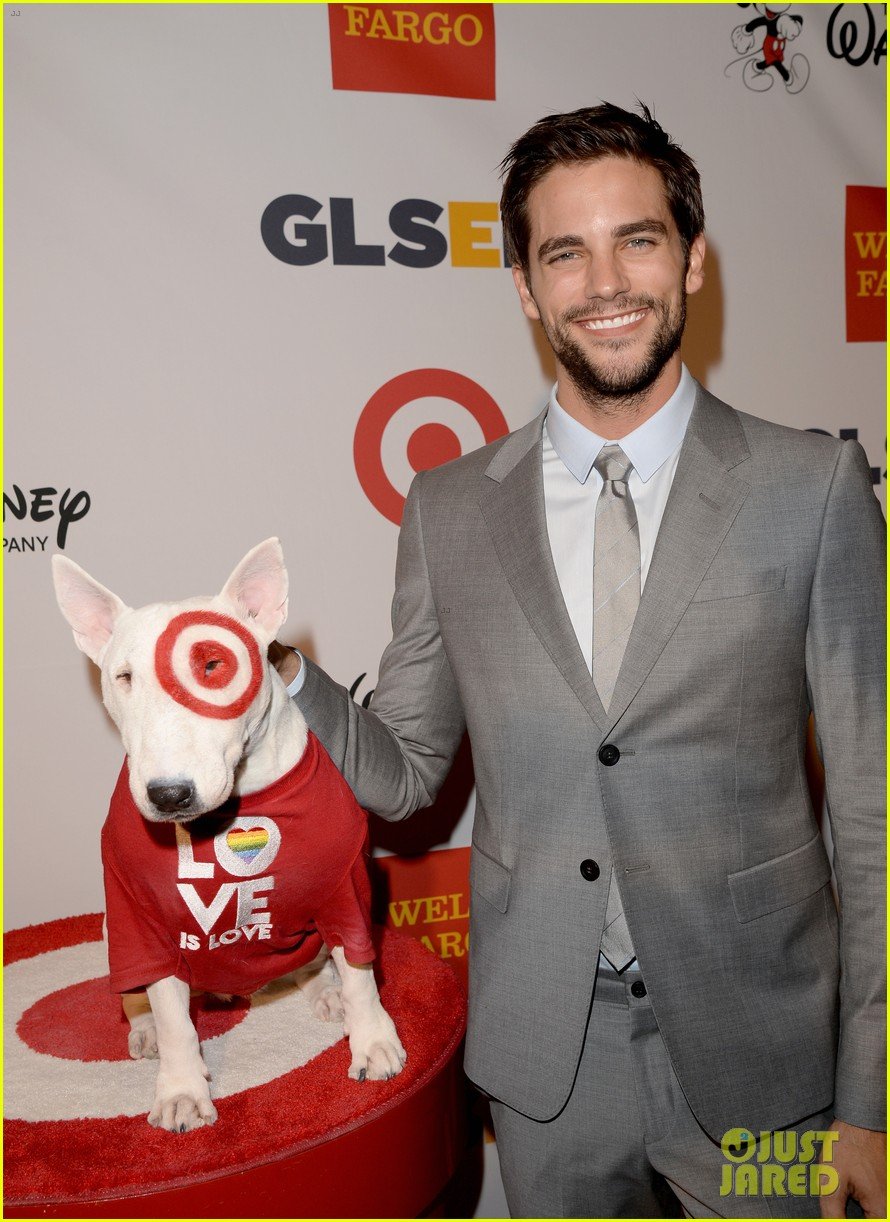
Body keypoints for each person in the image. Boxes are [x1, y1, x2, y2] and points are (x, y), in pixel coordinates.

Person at [274, 103, 886, 1218]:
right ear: (523, 284)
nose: (604, 281)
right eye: (565, 251)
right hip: (548, 1063)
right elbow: (407, 776)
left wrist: (873, 1094)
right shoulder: (449, 508)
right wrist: (274, 676)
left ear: (691, 260)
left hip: (768, 1063)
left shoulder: (811, 491)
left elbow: (873, 806)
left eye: (636, 239)